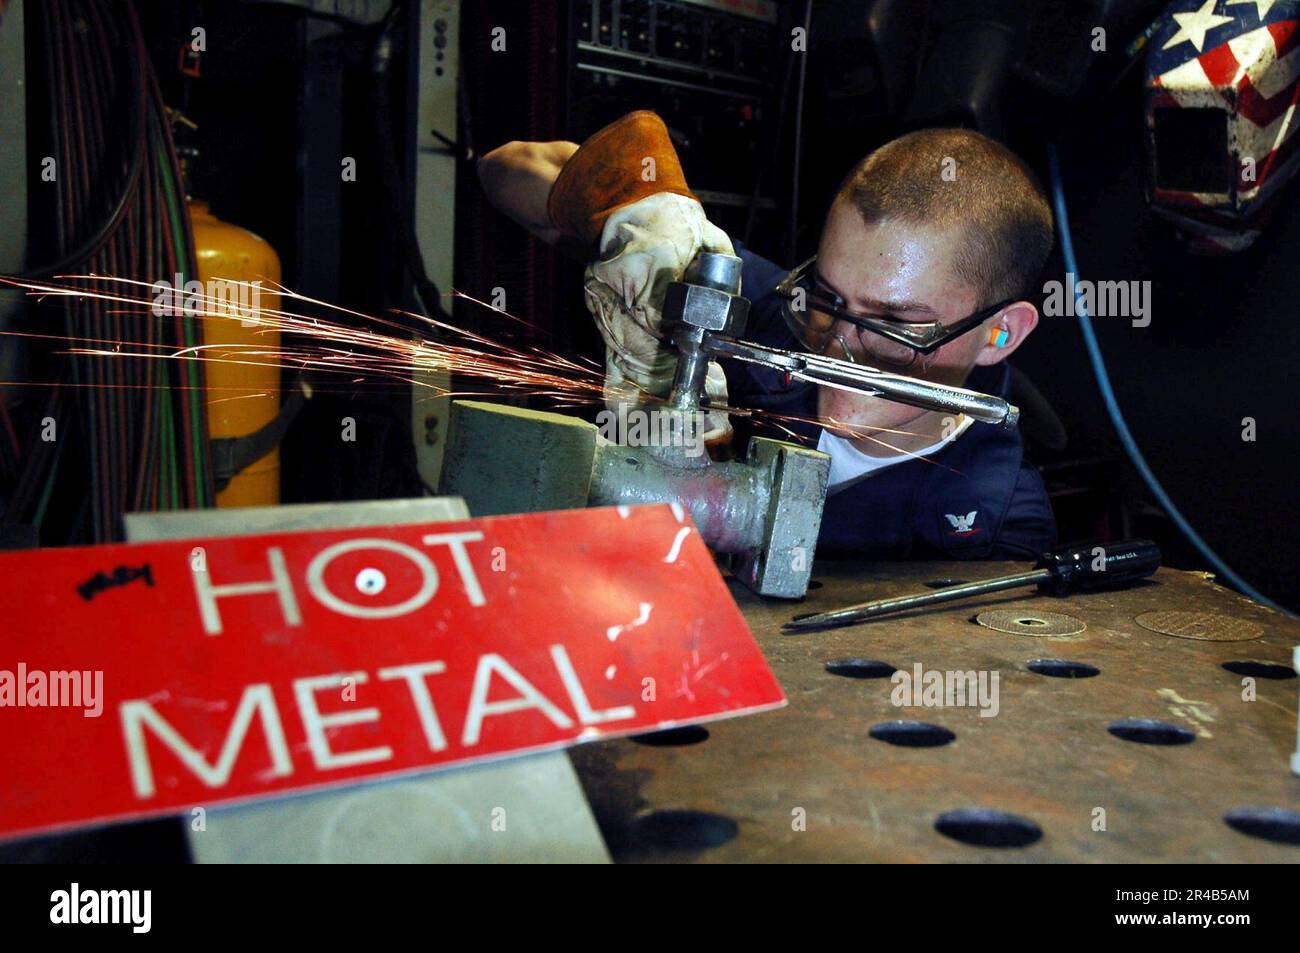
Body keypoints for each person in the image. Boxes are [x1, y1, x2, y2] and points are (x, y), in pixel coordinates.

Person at [477, 111, 1057, 559]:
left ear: (1000, 333)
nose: (838, 344)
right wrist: (646, 216)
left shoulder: (999, 520)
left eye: (894, 323)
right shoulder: (768, 313)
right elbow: (503, 170)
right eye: (830, 300)